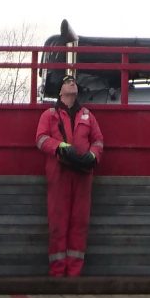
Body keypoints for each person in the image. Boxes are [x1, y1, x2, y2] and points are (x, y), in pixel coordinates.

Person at [36, 72, 105, 277]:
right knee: (58, 223)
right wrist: (61, 147)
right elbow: (40, 139)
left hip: (83, 174)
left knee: (79, 222)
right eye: (67, 81)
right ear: (60, 92)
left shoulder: (87, 115)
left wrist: (93, 156)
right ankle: (58, 272)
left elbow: (98, 140)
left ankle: (74, 273)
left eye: (73, 81)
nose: (71, 82)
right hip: (59, 173)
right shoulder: (49, 115)